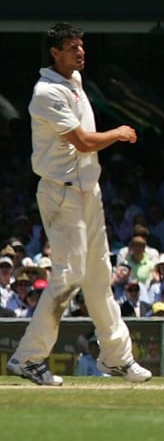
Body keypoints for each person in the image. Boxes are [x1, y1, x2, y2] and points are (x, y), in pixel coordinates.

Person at [6, 23, 151, 386]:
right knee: (68, 278)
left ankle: (117, 358)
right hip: (61, 193)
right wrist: (118, 133)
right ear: (54, 52)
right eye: (72, 48)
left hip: (88, 189)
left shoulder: (74, 82)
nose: (80, 53)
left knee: (99, 277)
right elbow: (84, 142)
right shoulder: (46, 92)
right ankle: (29, 357)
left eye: (81, 46)